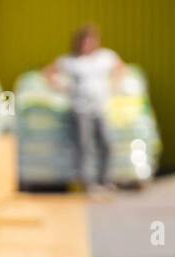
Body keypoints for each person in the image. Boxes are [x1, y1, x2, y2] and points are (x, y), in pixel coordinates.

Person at [46, 24, 126, 191]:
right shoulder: (70, 61)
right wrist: (61, 86)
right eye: (83, 42)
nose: (86, 45)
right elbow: (49, 72)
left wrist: (115, 84)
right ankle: (87, 182)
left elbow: (121, 67)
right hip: (80, 109)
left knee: (106, 143)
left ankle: (105, 179)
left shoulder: (105, 57)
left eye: (90, 42)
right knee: (83, 145)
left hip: (100, 108)